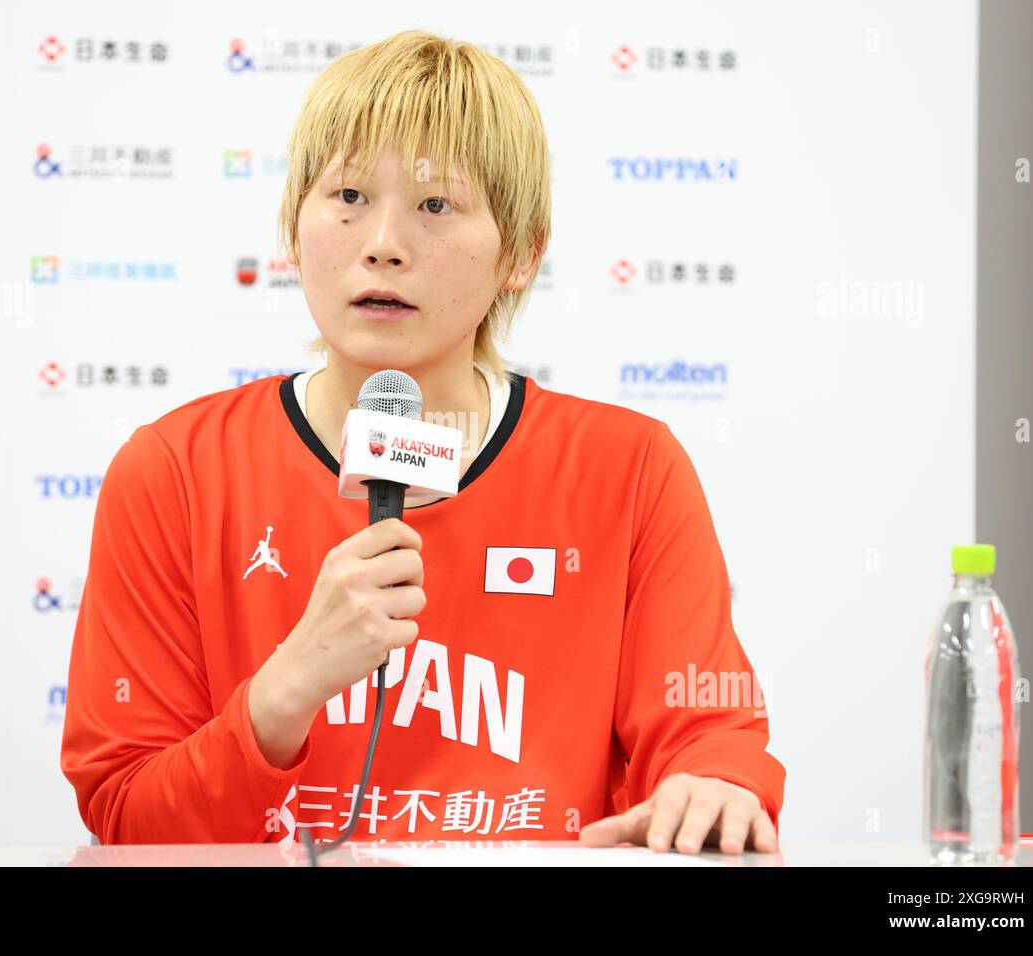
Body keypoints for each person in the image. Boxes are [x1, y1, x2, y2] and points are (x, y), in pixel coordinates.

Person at [60, 29, 785, 854]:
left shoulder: (628, 468)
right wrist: (285, 691)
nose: (383, 243)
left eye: (436, 205)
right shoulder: (176, 472)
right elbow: (126, 822)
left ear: (519, 254)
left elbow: (711, 737)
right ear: (294, 234)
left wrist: (715, 784)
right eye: (347, 198)